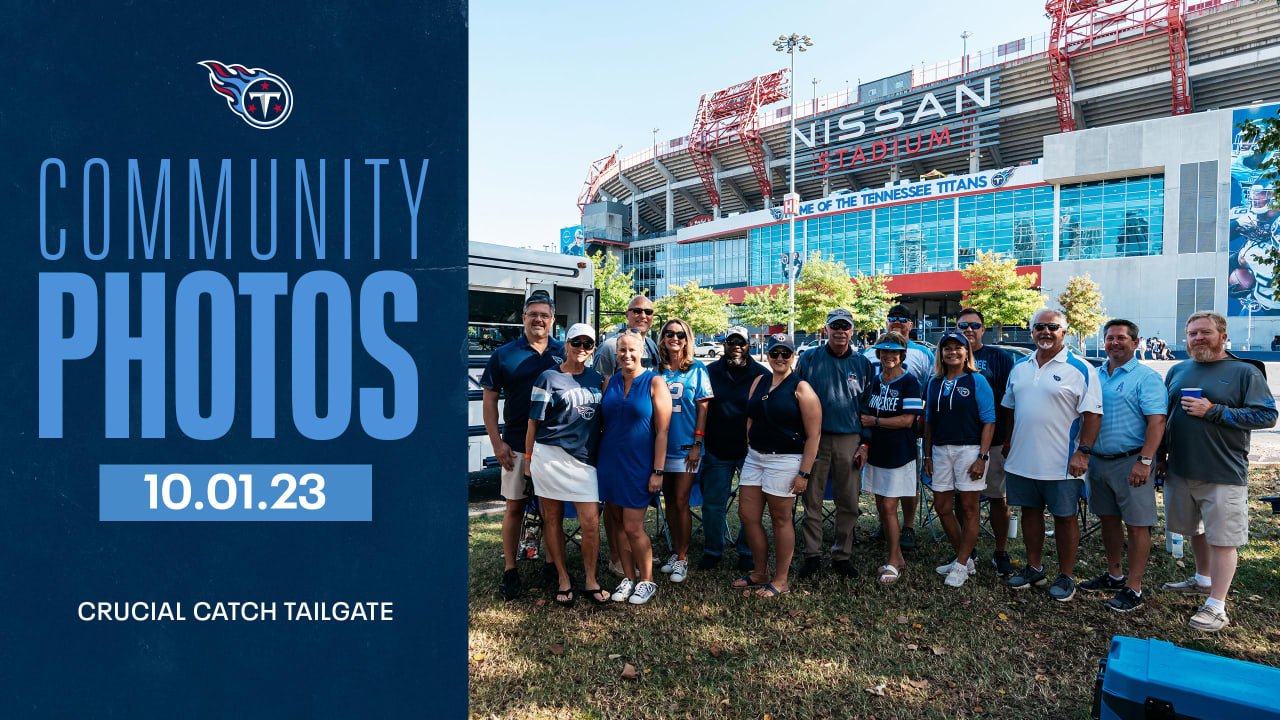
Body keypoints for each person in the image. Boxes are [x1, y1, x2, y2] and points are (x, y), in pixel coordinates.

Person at [1157, 311, 1277, 631]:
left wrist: (1213, 411)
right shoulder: (1178, 370)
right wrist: (1159, 456)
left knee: (1223, 539)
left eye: (1205, 333)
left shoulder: (1244, 372)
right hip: (1181, 469)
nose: (1198, 339)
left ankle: (1217, 605)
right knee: (1194, 529)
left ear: (1223, 336)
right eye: (1192, 333)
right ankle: (1201, 578)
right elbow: (1164, 418)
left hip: (1223, 470)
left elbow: (1267, 416)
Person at [1002, 309, 1103, 602]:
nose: (1045, 332)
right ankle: (1035, 568)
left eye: (1053, 327)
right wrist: (1008, 443)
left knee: (1064, 517)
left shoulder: (1081, 368)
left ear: (1064, 331)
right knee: (1030, 514)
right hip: (1022, 459)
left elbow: (1093, 415)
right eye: (1039, 327)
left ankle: (1066, 576)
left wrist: (1083, 452)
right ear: (1032, 331)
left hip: (1062, 462)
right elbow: (1009, 408)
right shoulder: (1020, 367)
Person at [478, 290, 565, 600]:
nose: (538, 319)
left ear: (553, 319)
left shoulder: (565, 352)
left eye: (545, 314)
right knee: (514, 507)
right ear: (524, 318)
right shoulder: (504, 354)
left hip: (555, 446)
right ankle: (511, 571)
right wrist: (496, 442)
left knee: (551, 509)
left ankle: (553, 565)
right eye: (533, 314)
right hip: (515, 444)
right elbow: (489, 401)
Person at [1078, 320, 1167, 612]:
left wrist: (1145, 461)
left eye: (1121, 338)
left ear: (1135, 342)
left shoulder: (1146, 378)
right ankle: (1114, 575)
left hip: (1132, 461)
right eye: (1109, 338)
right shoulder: (1095, 375)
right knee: (1107, 519)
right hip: (1099, 461)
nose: (1114, 343)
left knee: (1138, 525)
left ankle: (1134, 588)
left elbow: (1157, 422)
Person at [734, 334, 823, 597]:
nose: (780, 358)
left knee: (780, 519)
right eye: (775, 353)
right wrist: (750, 444)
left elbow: (814, 434)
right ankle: (759, 571)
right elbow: (751, 416)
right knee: (747, 516)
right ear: (768, 355)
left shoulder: (802, 388)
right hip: (755, 458)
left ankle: (781, 580)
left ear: (793, 356)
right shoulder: (759, 381)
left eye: (786, 353)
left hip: (785, 460)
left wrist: (804, 473)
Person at [523, 324, 606, 607]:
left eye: (588, 343)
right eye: (576, 342)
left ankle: (592, 579)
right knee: (552, 519)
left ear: (593, 348)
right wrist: (528, 459)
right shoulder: (548, 378)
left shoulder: (598, 378)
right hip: (549, 456)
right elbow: (533, 422)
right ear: (566, 344)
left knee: (591, 523)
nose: (582, 347)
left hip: (585, 460)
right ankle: (563, 578)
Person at [795, 308, 876, 579]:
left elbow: (868, 408)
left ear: (852, 330)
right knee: (812, 501)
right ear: (826, 329)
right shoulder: (809, 358)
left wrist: (865, 445)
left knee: (849, 501)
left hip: (850, 439)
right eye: (835, 325)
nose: (840, 330)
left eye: (846, 326)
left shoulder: (862, 363)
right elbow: (795, 397)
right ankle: (812, 555)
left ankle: (842, 555)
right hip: (814, 439)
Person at [598, 332, 672, 605]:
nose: (626, 355)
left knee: (633, 527)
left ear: (641, 351)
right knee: (616, 524)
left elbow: (663, 432)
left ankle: (647, 580)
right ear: (615, 353)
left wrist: (658, 471)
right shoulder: (610, 382)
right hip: (610, 463)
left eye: (631, 350)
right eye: (621, 350)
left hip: (639, 465)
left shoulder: (655, 382)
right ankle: (628, 577)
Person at [593, 295, 660, 575]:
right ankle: (616, 558)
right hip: (612, 451)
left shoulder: (652, 346)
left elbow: (661, 424)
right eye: (637, 310)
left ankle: (635, 561)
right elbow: (596, 392)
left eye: (648, 311)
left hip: (639, 451)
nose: (642, 315)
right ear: (627, 313)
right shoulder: (610, 346)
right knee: (614, 511)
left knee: (631, 521)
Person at [923, 332, 995, 589]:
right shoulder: (934, 382)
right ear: (941, 353)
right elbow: (929, 421)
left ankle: (962, 563)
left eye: (958, 348)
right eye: (947, 348)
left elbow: (989, 420)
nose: (952, 352)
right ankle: (964, 559)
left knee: (968, 508)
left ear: (967, 352)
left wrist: (982, 457)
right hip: (941, 451)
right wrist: (927, 454)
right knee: (942, 506)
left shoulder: (977, 380)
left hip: (969, 449)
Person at [864, 304, 935, 548]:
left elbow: (929, 387)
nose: (897, 322)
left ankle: (907, 527)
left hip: (907, 429)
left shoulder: (923, 354)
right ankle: (885, 524)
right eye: (892, 317)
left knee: (907, 482)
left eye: (903, 319)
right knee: (880, 484)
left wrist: (921, 422)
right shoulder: (869, 353)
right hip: (877, 436)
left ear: (910, 325)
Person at [701, 325, 769, 571]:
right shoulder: (709, 372)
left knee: (751, 505)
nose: (736, 346)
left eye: (741, 342)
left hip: (750, 451)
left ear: (749, 345)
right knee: (713, 503)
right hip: (717, 448)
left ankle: (746, 551)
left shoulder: (762, 374)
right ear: (724, 344)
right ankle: (712, 550)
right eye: (731, 342)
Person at [859, 332, 924, 584]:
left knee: (888, 507)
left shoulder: (910, 382)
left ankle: (894, 559)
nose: (888, 356)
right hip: (877, 452)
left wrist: (875, 421)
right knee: (880, 507)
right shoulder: (875, 381)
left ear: (902, 354)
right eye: (884, 351)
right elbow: (865, 414)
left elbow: (907, 421)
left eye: (893, 352)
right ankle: (896, 558)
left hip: (900, 454)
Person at [956, 308, 1017, 576]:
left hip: (993, 441)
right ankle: (967, 549)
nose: (968, 329)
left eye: (974, 325)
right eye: (962, 326)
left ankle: (1001, 551)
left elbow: (1010, 402)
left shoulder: (998, 357)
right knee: (962, 498)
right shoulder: (950, 355)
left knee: (997, 498)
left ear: (983, 329)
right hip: (959, 440)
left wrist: (1008, 439)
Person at [655, 318, 714, 583]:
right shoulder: (656, 369)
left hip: (686, 447)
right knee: (669, 502)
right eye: (669, 333)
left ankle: (682, 557)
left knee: (681, 501)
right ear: (663, 337)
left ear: (687, 338)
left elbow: (703, 409)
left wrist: (697, 444)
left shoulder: (697, 368)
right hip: (659, 447)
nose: (674, 338)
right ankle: (675, 551)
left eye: (679, 334)